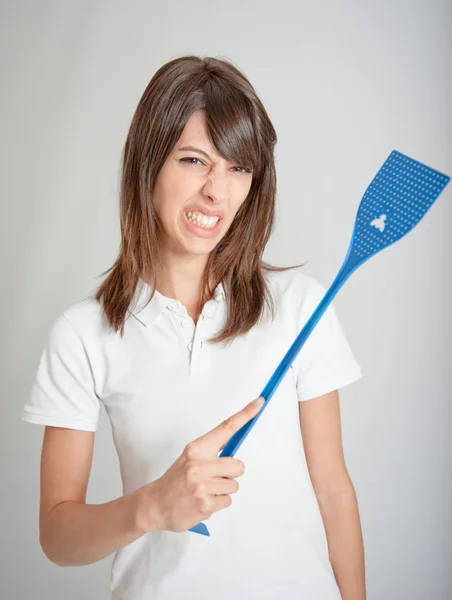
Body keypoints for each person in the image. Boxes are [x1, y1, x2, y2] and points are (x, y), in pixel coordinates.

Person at [22, 55, 366, 599]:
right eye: (194, 160)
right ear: (149, 163)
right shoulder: (83, 335)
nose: (217, 192)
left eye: (238, 168)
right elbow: (57, 536)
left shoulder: (301, 307)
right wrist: (154, 505)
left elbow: (334, 493)